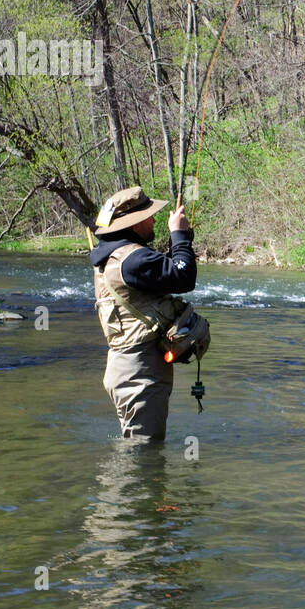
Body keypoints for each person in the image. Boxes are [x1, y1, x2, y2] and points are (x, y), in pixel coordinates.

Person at [89, 186, 197, 440]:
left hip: (129, 368)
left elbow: (162, 274)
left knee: (140, 449)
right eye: (148, 215)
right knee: (143, 456)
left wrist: (180, 242)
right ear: (135, 224)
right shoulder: (133, 259)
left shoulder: (117, 256)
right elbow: (184, 277)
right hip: (139, 372)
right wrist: (179, 235)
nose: (154, 219)